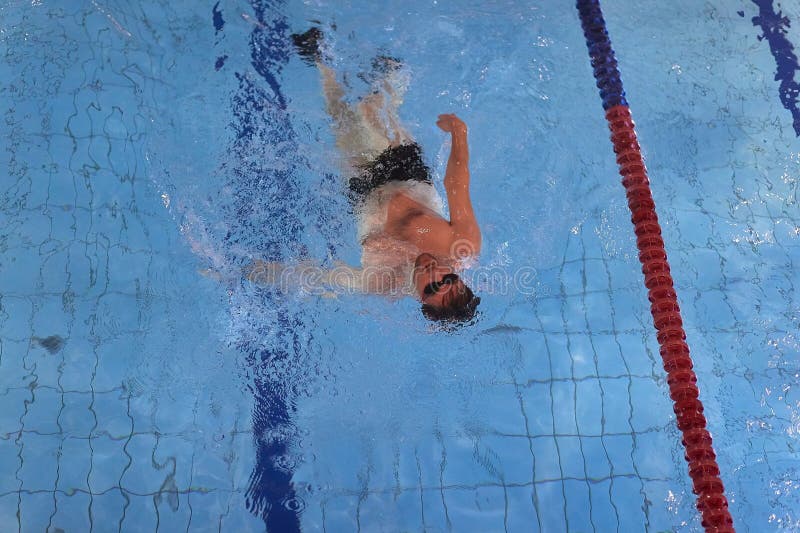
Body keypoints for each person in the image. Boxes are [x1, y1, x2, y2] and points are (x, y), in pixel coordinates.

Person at [247, 27, 481, 323]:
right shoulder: (462, 245)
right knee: (367, 113)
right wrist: (460, 133)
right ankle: (337, 62)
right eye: (448, 279)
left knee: (346, 116)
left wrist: (252, 271)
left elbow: (318, 277)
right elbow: (457, 185)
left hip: (361, 185)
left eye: (432, 287)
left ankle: (348, 67)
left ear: (421, 300)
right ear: (459, 279)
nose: (434, 273)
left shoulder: (381, 283)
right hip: (404, 169)